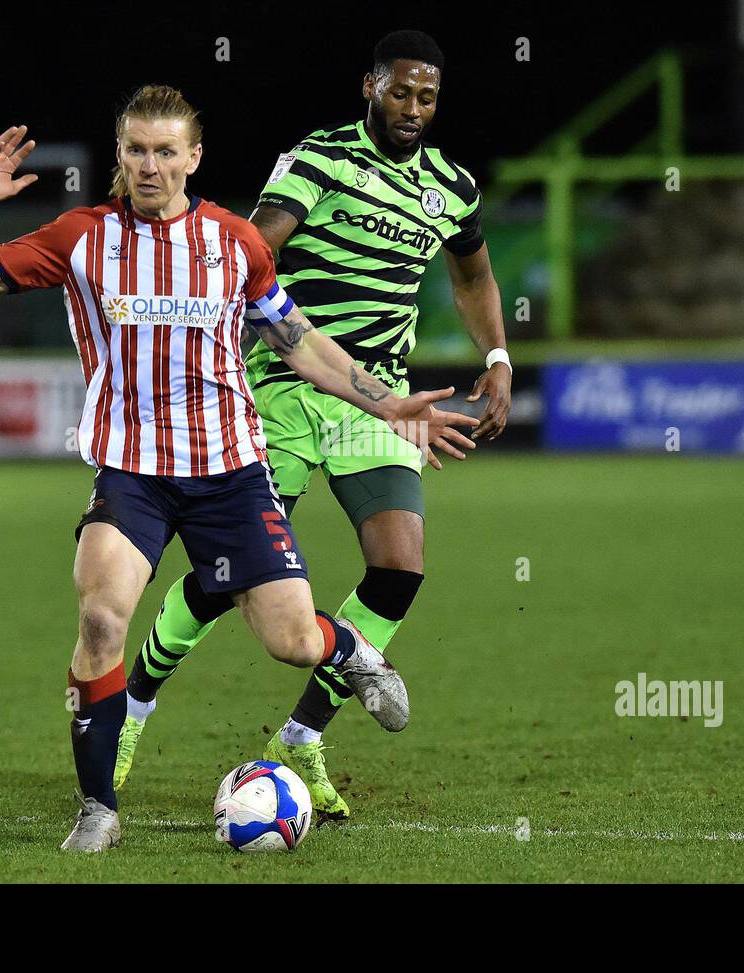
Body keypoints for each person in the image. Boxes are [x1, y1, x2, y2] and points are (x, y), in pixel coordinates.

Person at [0, 84, 478, 851]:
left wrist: (388, 404)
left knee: (290, 637)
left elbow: (298, 341)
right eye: (136, 150)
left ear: (193, 157)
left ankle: (351, 650)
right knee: (99, 617)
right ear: (119, 154)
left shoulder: (235, 243)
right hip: (131, 475)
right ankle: (98, 807)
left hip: (229, 471)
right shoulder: (80, 237)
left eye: (166, 151)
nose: (150, 166)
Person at [115, 31, 508, 824]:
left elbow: (474, 275)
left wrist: (496, 353)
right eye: (400, 92)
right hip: (286, 386)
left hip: (380, 400)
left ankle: (301, 734)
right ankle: (134, 707)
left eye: (427, 97)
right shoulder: (320, 159)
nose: (413, 109)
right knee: (230, 578)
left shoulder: (451, 187)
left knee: (399, 567)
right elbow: (255, 248)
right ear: (371, 86)